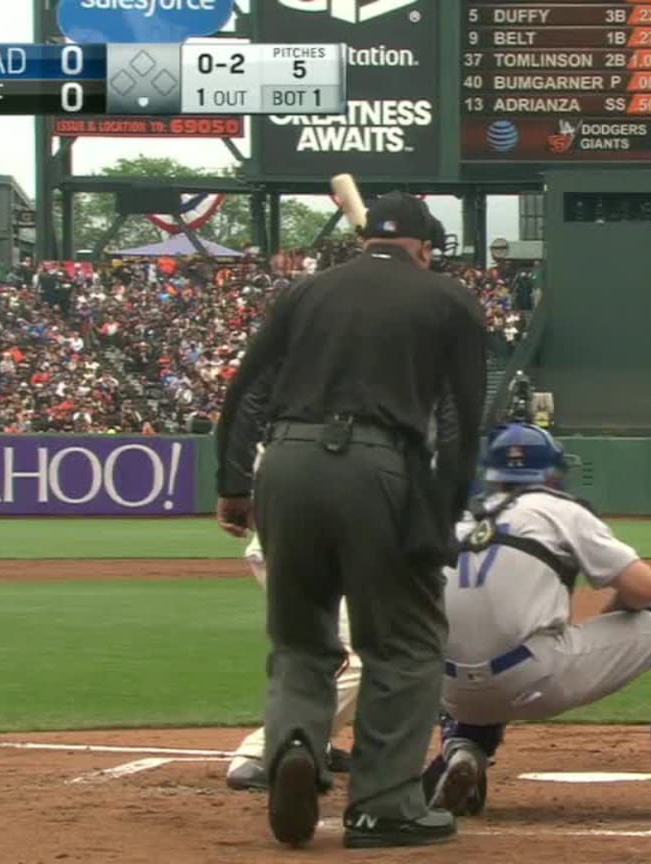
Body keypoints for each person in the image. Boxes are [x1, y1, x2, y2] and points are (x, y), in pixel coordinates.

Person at [212, 191, 488, 850]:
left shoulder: (305, 293)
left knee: (300, 637)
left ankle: (294, 750)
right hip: (381, 466)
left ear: (369, 240)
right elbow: (459, 417)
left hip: (284, 461)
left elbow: (247, 387)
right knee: (403, 642)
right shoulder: (449, 300)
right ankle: (384, 806)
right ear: (424, 248)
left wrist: (231, 485)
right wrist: (442, 512)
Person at [419, 423, 651, 819]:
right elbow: (644, 590)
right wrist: (609, 619)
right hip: (534, 676)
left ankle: (462, 749)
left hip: (452, 691)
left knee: (475, 643)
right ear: (552, 473)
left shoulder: (457, 520)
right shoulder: (558, 509)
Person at [223, 442, 361, 792]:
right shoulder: (291, 427)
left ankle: (315, 741)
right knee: (354, 655)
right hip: (291, 550)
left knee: (355, 643)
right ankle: (261, 752)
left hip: (325, 550)